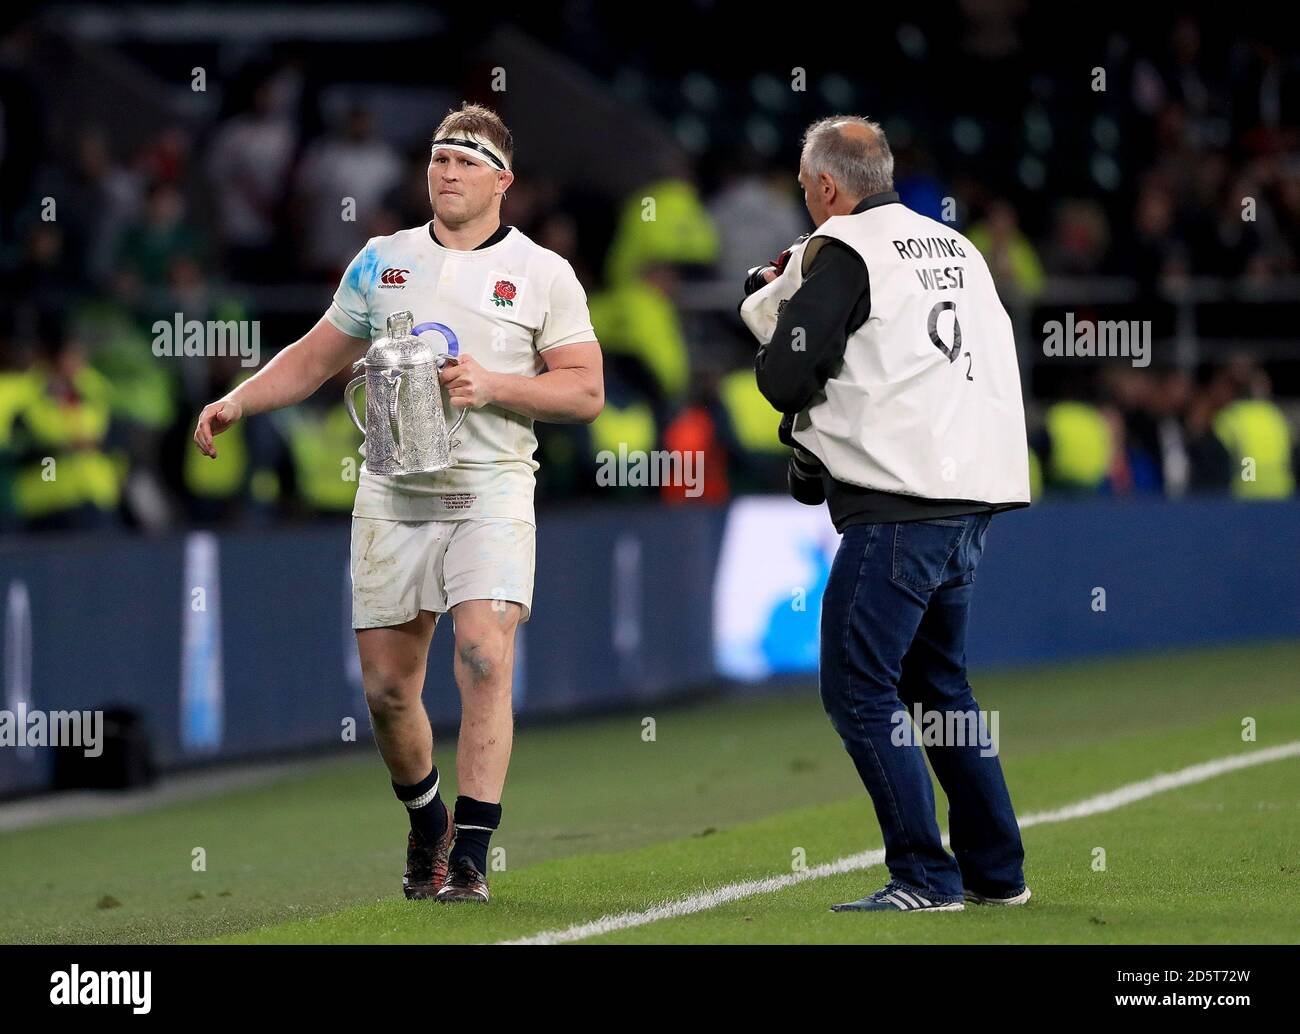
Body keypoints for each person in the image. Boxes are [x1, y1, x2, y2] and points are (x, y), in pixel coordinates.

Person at [194, 103, 603, 904]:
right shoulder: (382, 259)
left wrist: (496, 385)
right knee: (387, 690)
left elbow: (585, 390)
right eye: (438, 158)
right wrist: (238, 402)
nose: (447, 171)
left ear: (502, 182)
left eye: (466, 160)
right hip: (393, 490)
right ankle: (427, 824)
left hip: (489, 486)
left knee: (485, 651)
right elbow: (315, 359)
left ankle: (474, 859)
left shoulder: (545, 271)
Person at [740, 116, 1031, 912]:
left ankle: (923, 875)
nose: (806, 206)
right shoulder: (957, 246)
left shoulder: (846, 249)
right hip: (972, 492)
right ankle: (996, 873)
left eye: (805, 192)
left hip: (900, 502)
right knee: (940, 689)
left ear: (828, 187)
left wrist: (771, 315)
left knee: (858, 686)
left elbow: (786, 377)